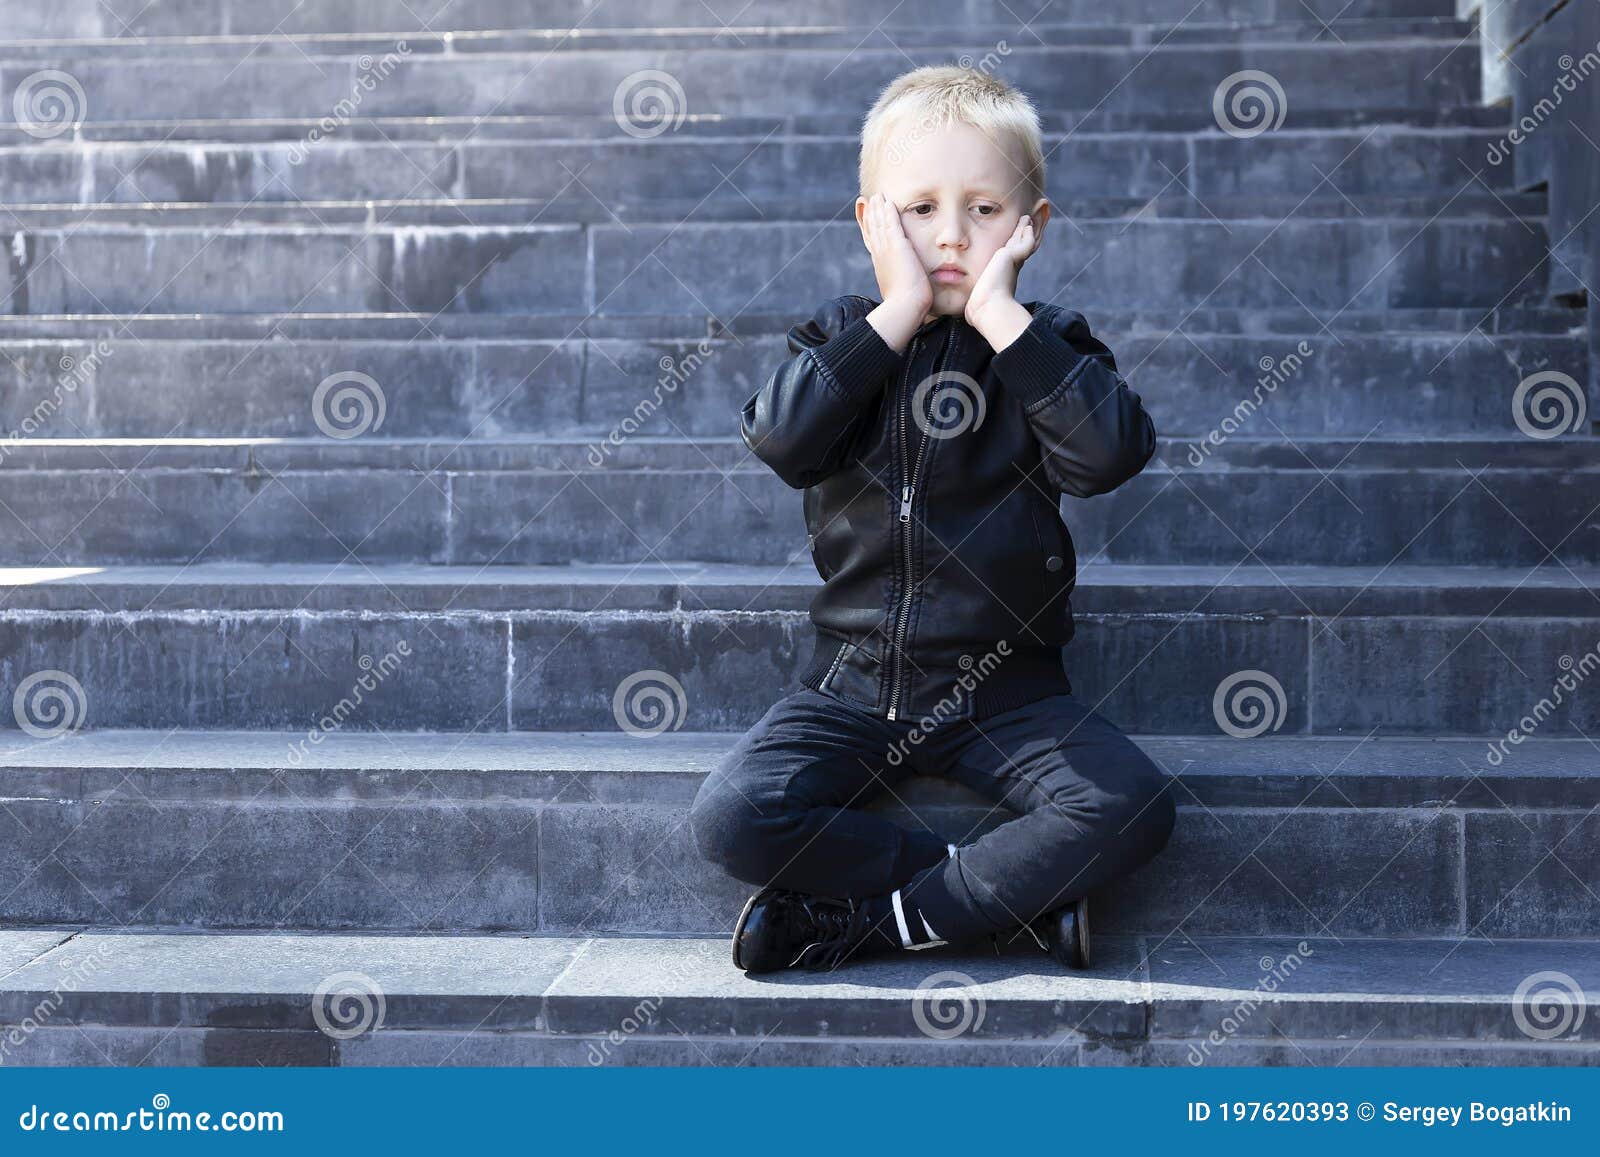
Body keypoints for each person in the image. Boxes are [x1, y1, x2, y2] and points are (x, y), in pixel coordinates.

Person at [689, 65, 1175, 974]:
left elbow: (1107, 455)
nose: (951, 234)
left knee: (1132, 804)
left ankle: (875, 924)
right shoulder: (842, 334)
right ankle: (992, 904)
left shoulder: (1048, 344)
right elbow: (783, 439)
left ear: (1031, 227)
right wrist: (897, 312)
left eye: (985, 210)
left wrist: (1000, 317)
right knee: (734, 813)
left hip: (1008, 693)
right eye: (920, 210)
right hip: (852, 686)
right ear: (874, 221)